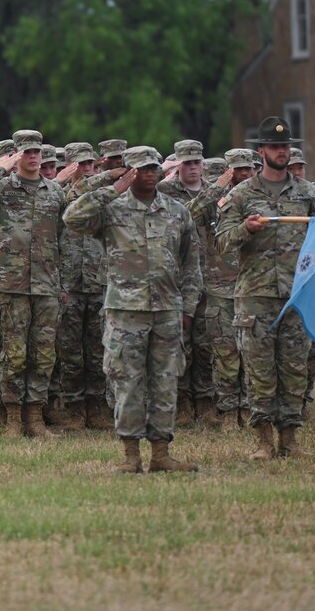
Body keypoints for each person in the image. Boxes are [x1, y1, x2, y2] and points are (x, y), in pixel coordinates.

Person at [64, 146, 201, 472]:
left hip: (167, 309)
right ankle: (130, 455)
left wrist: (188, 307)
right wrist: (112, 188)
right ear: (130, 172)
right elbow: (72, 217)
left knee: (165, 382)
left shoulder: (177, 211)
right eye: (142, 169)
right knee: (127, 381)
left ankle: (161, 453)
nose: (150, 174)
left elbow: (191, 264)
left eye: (154, 168)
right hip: (125, 311)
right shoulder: (112, 210)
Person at [216, 116, 315, 460]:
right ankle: (264, 442)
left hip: (296, 293)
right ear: (262, 151)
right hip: (256, 295)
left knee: (294, 368)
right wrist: (246, 230)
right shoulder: (240, 195)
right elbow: (222, 241)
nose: (282, 151)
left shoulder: (307, 193)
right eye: (276, 147)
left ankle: (290, 441)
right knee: (260, 370)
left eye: (286, 146)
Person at [0, 129, 66, 439]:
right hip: (11, 285)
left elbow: (60, 237)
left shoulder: (54, 192)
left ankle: (35, 419)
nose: (33, 157)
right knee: (13, 354)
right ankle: (14, 420)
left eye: (37, 152)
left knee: (43, 354)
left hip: (45, 284)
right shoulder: (1, 189)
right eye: (27, 152)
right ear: (17, 154)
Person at [186, 148, 255, 430]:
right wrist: (218, 187)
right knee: (225, 354)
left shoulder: (257, 198)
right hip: (219, 289)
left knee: (252, 353)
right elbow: (188, 216)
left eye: (247, 169)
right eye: (237, 170)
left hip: (251, 286)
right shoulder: (215, 201)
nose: (243, 175)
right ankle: (228, 412)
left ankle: (250, 409)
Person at [53, 141, 113, 431]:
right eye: (80, 165)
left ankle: (97, 407)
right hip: (69, 283)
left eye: (90, 164)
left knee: (98, 349)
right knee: (70, 352)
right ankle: (75, 408)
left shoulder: (104, 197)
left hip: (98, 282)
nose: (86, 170)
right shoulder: (60, 194)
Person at [158, 139, 215, 425]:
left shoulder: (214, 190)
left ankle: (204, 401)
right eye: (187, 163)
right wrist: (162, 169)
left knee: (205, 343)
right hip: (176, 277)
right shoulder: (165, 191)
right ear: (177, 164)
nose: (192, 168)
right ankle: (180, 403)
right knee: (178, 342)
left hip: (210, 276)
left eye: (196, 162)